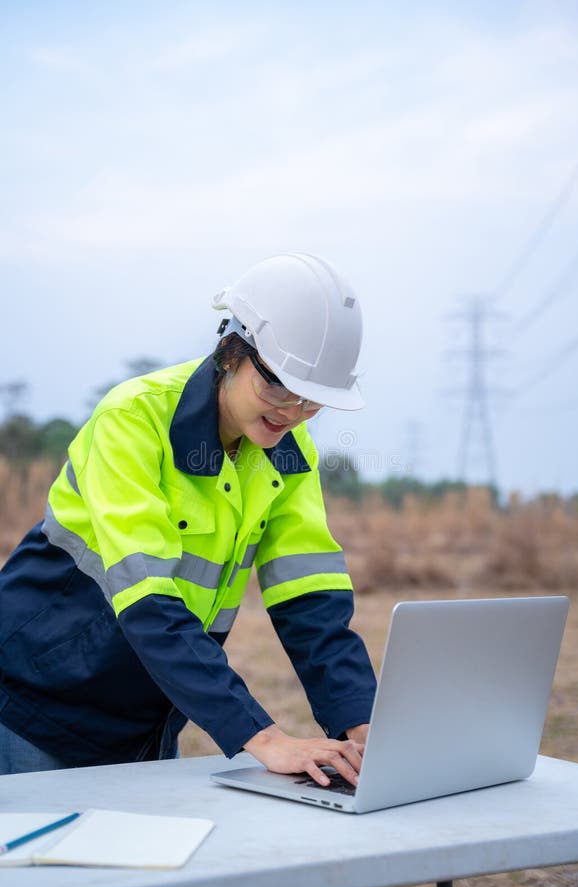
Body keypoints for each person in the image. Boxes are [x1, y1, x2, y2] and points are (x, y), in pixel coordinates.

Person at [0, 252, 377, 785]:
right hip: (37, 710)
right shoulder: (131, 421)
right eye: (276, 385)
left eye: (312, 400)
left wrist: (363, 728)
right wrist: (263, 738)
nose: (291, 412)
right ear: (230, 352)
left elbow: (309, 601)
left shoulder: (288, 450)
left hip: (151, 715)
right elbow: (150, 602)